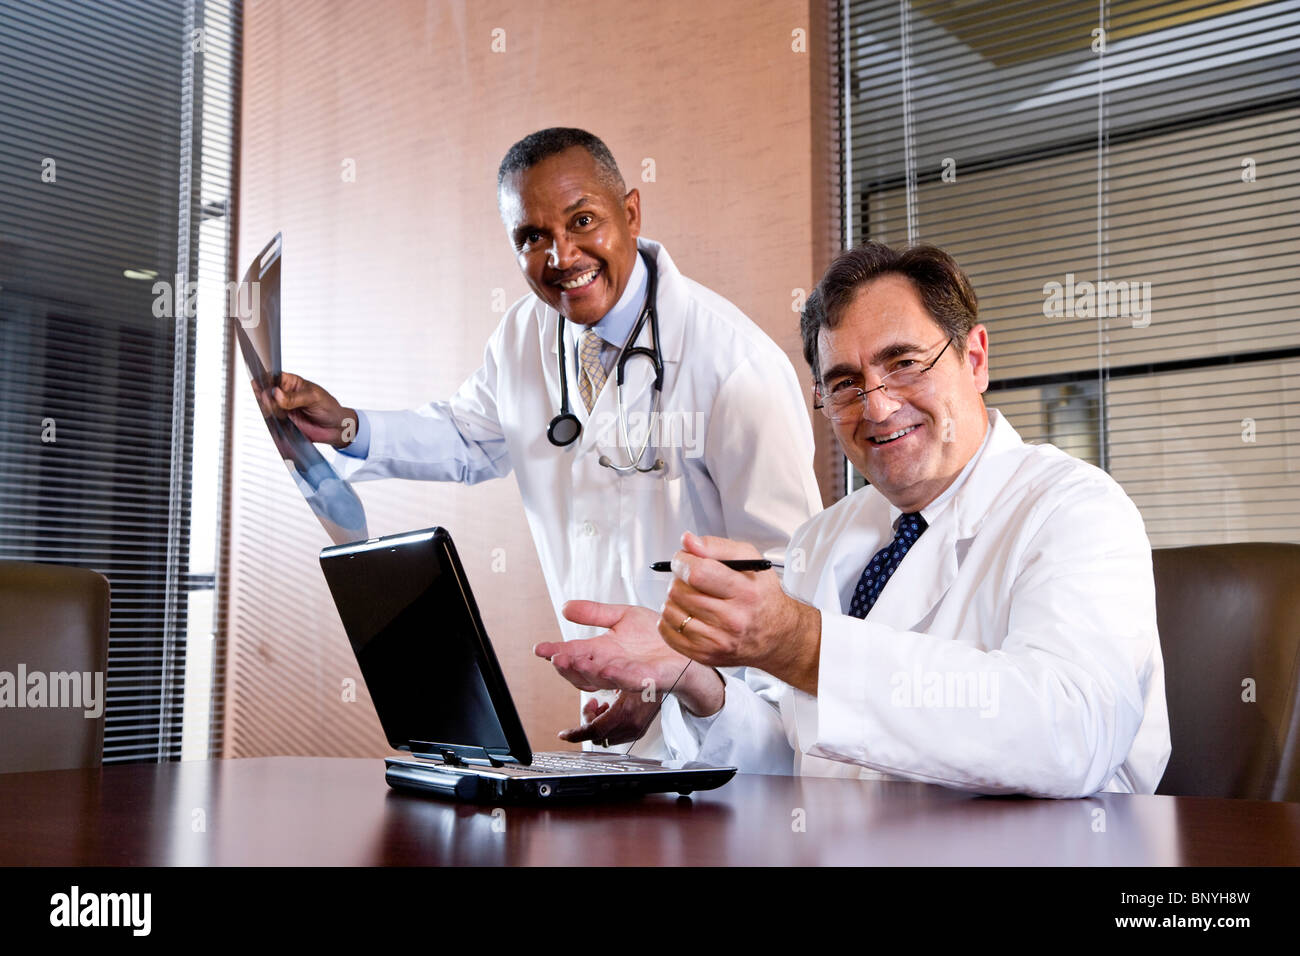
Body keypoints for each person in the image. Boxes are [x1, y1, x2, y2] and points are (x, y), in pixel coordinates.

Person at [535, 241, 1171, 797]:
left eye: (903, 363)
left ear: (974, 359)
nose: (878, 405)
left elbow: (1070, 735)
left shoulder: (1077, 510)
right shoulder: (826, 537)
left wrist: (801, 644)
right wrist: (698, 684)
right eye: (843, 383)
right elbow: (796, 761)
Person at [262, 128, 823, 756]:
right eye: (532, 237)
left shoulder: (734, 365)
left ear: (631, 212)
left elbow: (787, 576)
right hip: (614, 728)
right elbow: (465, 435)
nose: (561, 255)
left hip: (736, 730)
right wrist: (344, 427)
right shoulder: (526, 333)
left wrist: (679, 677)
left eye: (583, 220)